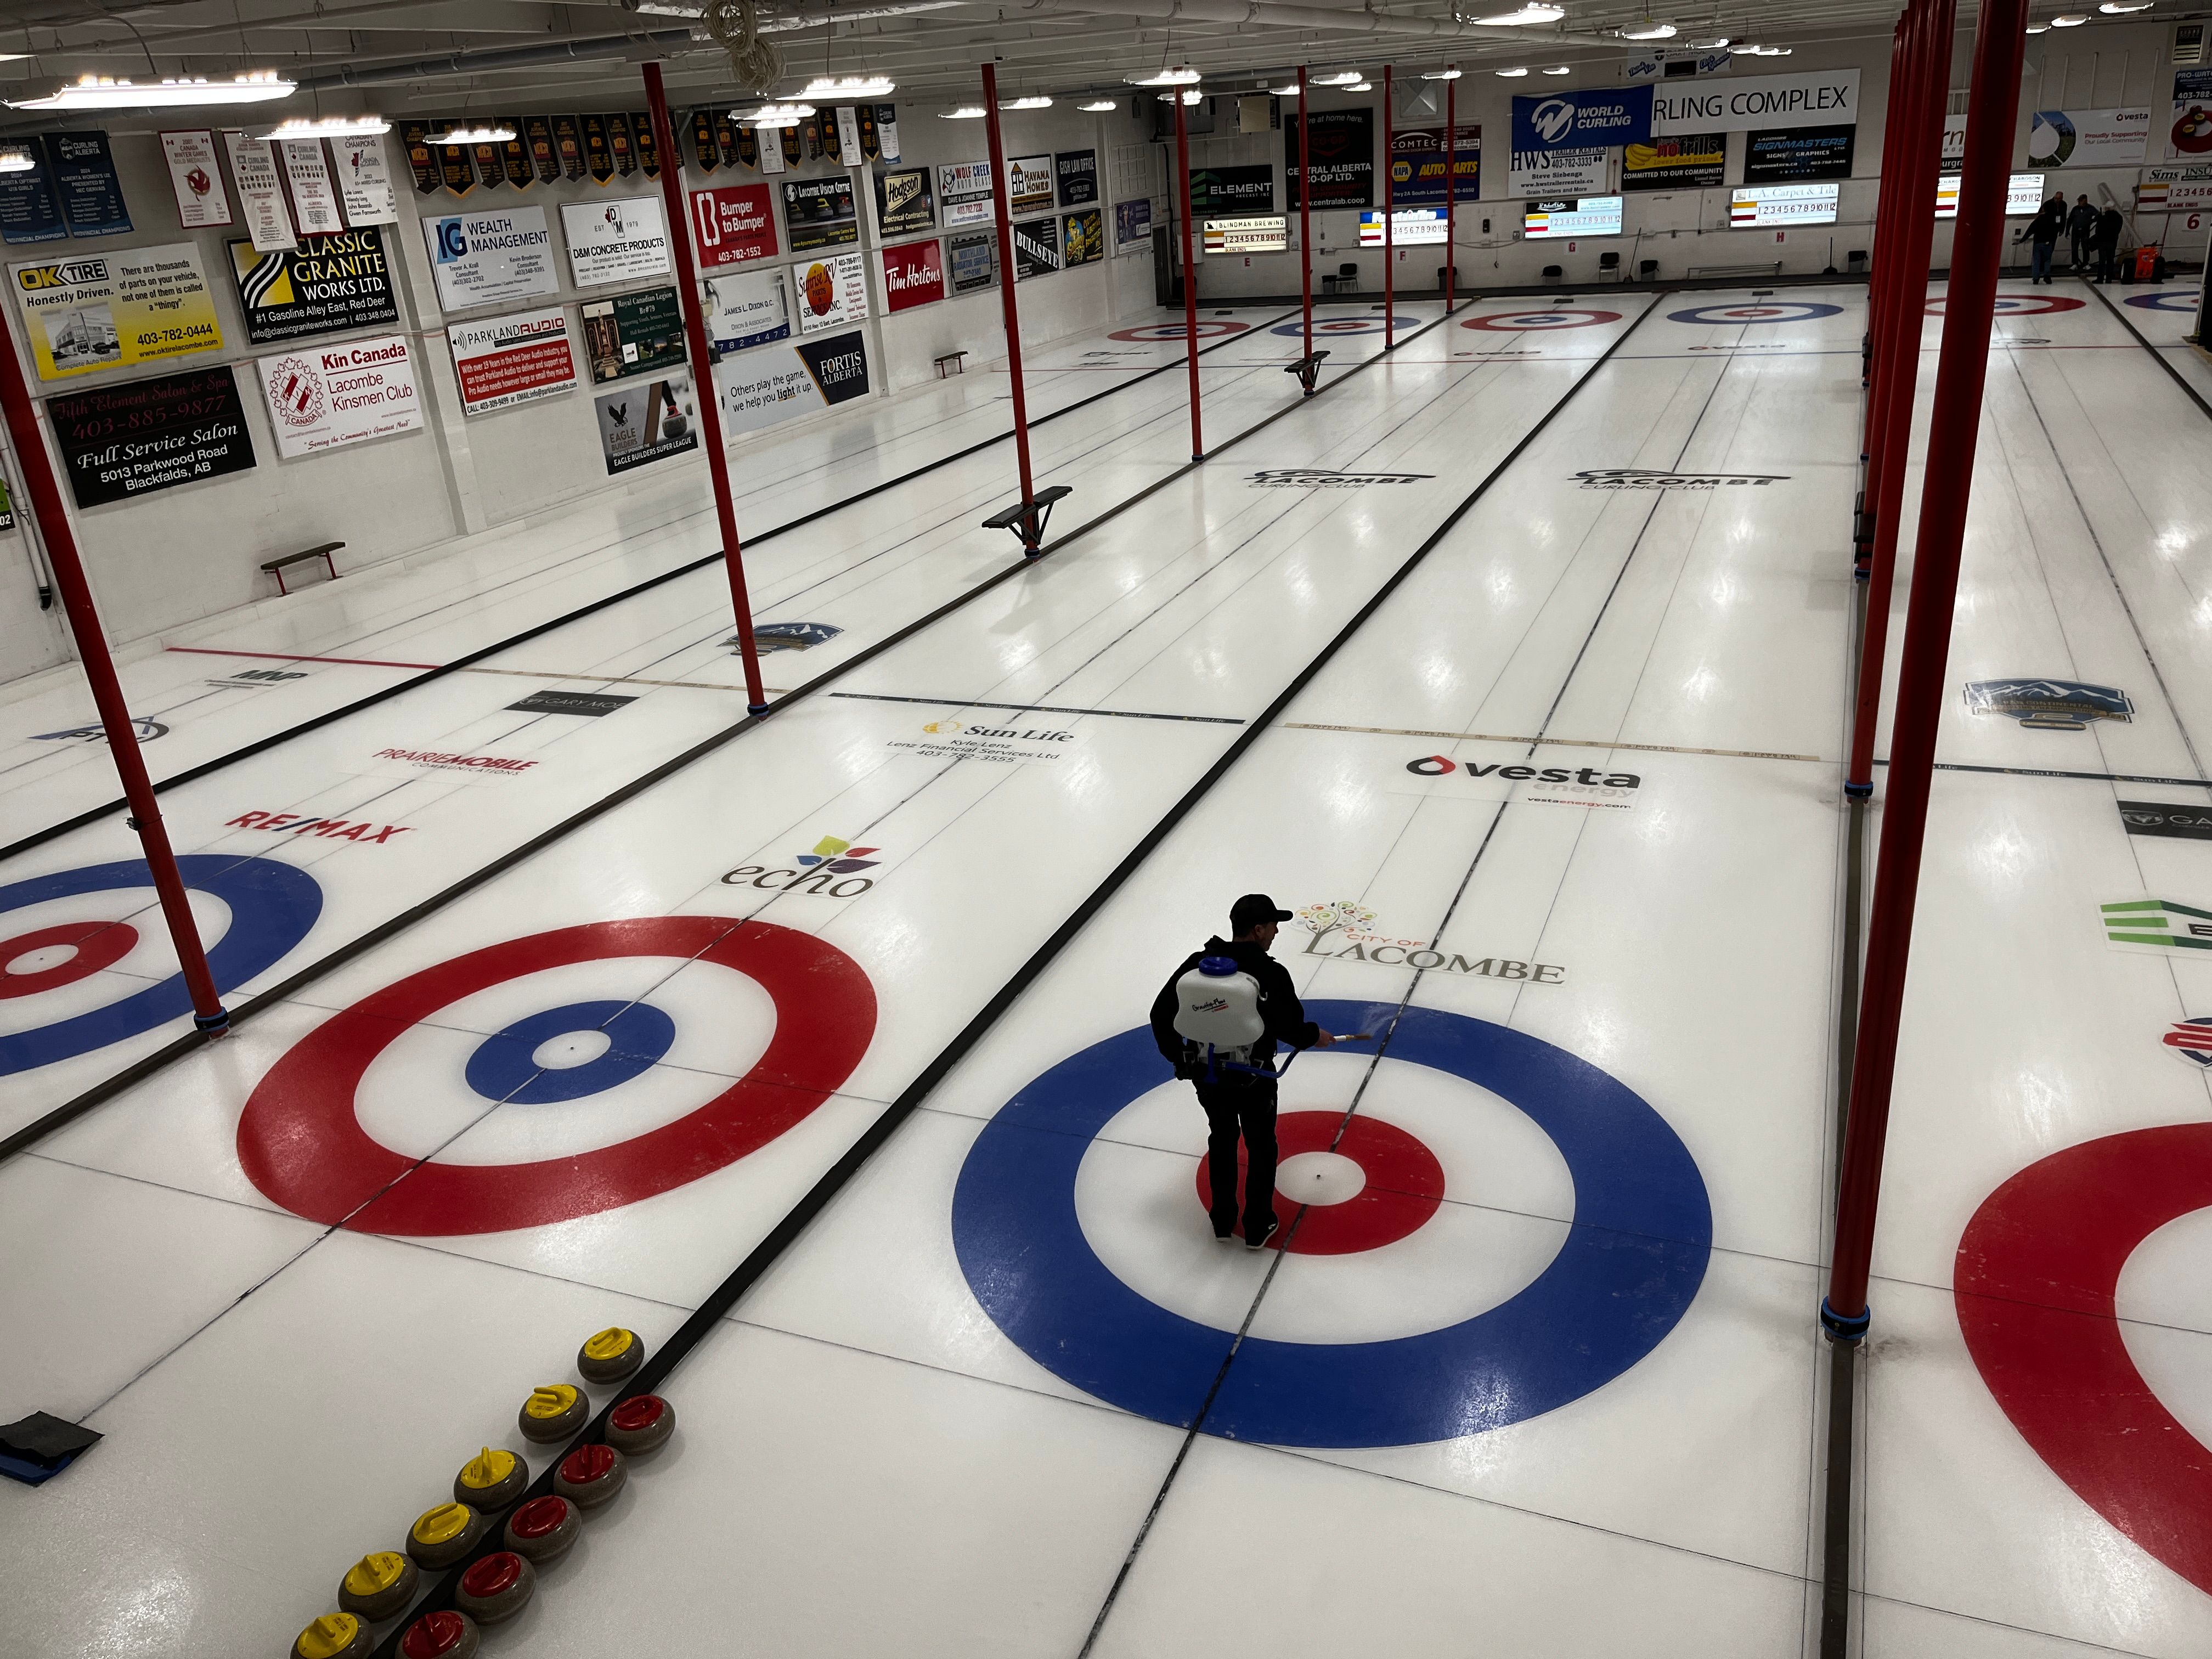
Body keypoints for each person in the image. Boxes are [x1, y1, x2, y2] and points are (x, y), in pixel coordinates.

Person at [1150, 894, 1336, 1250]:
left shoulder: (1197, 965)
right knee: (1261, 1146)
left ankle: (1222, 1220)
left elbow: (1161, 1014)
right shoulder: (1270, 974)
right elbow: (1291, 1028)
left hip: (1208, 1077)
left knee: (1221, 1139)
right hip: (1256, 1079)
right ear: (1258, 929)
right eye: (1273, 926)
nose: (1277, 932)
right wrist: (1315, 1036)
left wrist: (1182, 1057)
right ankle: (1257, 1224)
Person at [2018, 193, 2066, 284]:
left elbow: (2030, 230)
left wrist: (2021, 241)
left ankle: (2036, 278)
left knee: (2037, 260)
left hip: (2038, 242)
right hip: (2048, 242)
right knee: (2047, 260)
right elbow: (2056, 230)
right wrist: (2060, 232)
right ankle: (2047, 276)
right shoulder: (2053, 222)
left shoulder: (2039, 220)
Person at [2094, 203, 2126, 283]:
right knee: (2110, 260)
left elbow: (2098, 227)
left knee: (2102, 261)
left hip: (2102, 241)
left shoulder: (2103, 216)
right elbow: (2118, 229)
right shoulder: (2119, 217)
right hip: (2112, 241)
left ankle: (2100, 278)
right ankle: (2109, 278)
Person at [2067, 194, 2097, 272]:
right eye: (2081, 201)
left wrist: (2091, 221)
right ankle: (2075, 264)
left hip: (2085, 231)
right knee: (2074, 247)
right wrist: (2067, 231)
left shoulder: (2090, 208)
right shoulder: (2075, 209)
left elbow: (2098, 215)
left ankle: (2086, 263)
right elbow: (2070, 220)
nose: (2083, 203)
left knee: (2086, 247)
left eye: (2084, 201)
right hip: (2075, 231)